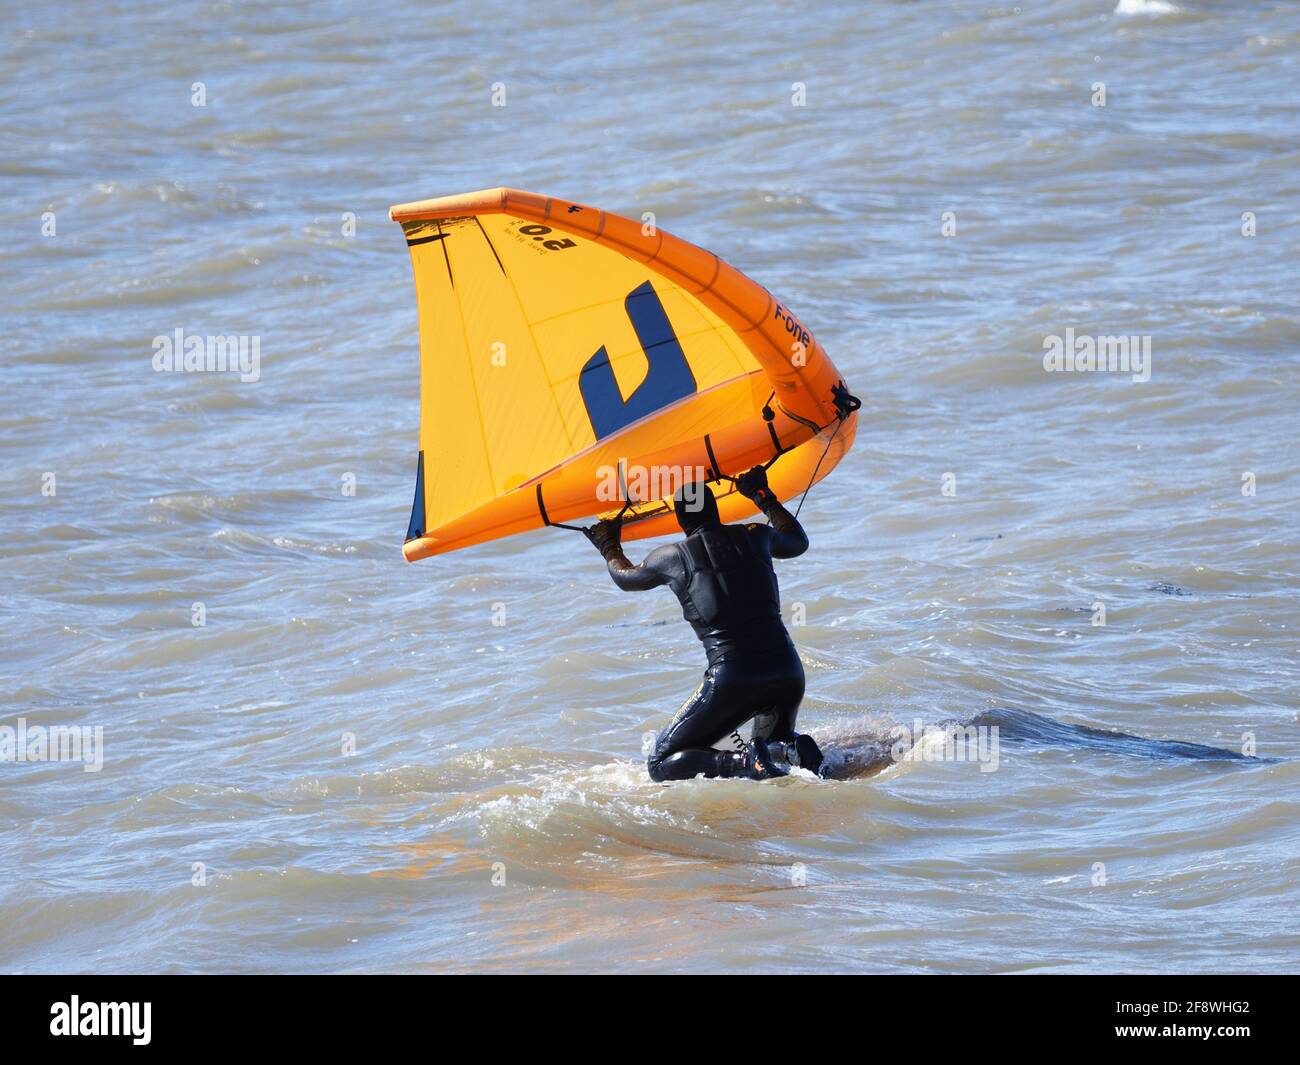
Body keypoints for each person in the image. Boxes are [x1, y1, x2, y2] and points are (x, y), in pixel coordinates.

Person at [585, 466, 824, 781]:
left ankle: (742, 762)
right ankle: (791, 749)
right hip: (787, 670)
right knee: (773, 742)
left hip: (734, 678)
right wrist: (762, 496)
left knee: (660, 764)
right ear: (716, 509)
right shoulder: (756, 534)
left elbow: (626, 578)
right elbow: (797, 541)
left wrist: (608, 545)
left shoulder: (670, 556)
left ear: (680, 520)